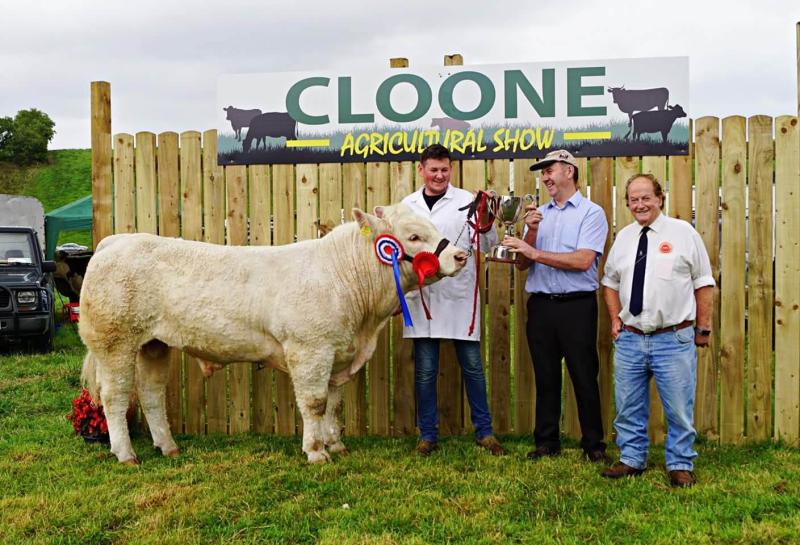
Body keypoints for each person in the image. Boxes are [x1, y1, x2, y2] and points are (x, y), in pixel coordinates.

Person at [600, 173, 714, 488]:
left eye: (646, 198)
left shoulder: (683, 233)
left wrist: (703, 328)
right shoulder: (624, 238)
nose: (640, 204)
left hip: (673, 338)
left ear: (659, 199)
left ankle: (680, 464)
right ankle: (631, 459)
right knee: (628, 406)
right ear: (627, 203)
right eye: (633, 199)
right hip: (631, 338)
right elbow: (610, 283)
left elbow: (703, 282)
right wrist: (615, 320)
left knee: (678, 408)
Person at [501, 149, 609, 463]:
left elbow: (583, 260)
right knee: (546, 376)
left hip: (577, 307)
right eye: (543, 173)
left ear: (569, 171)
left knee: (584, 376)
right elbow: (522, 264)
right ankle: (547, 443)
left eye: (550, 171)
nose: (545, 178)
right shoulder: (537, 215)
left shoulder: (591, 213)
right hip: (541, 307)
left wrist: (533, 252)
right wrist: (532, 232)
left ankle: (593, 445)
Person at [402, 144, 504, 456]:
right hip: (422, 296)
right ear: (421, 170)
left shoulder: (466, 201)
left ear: (451, 169)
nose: (439, 175)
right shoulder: (407, 206)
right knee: (425, 371)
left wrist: (487, 221)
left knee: (473, 367)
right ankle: (428, 435)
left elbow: (488, 243)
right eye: (433, 169)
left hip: (459, 296)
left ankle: (484, 432)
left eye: (444, 169)